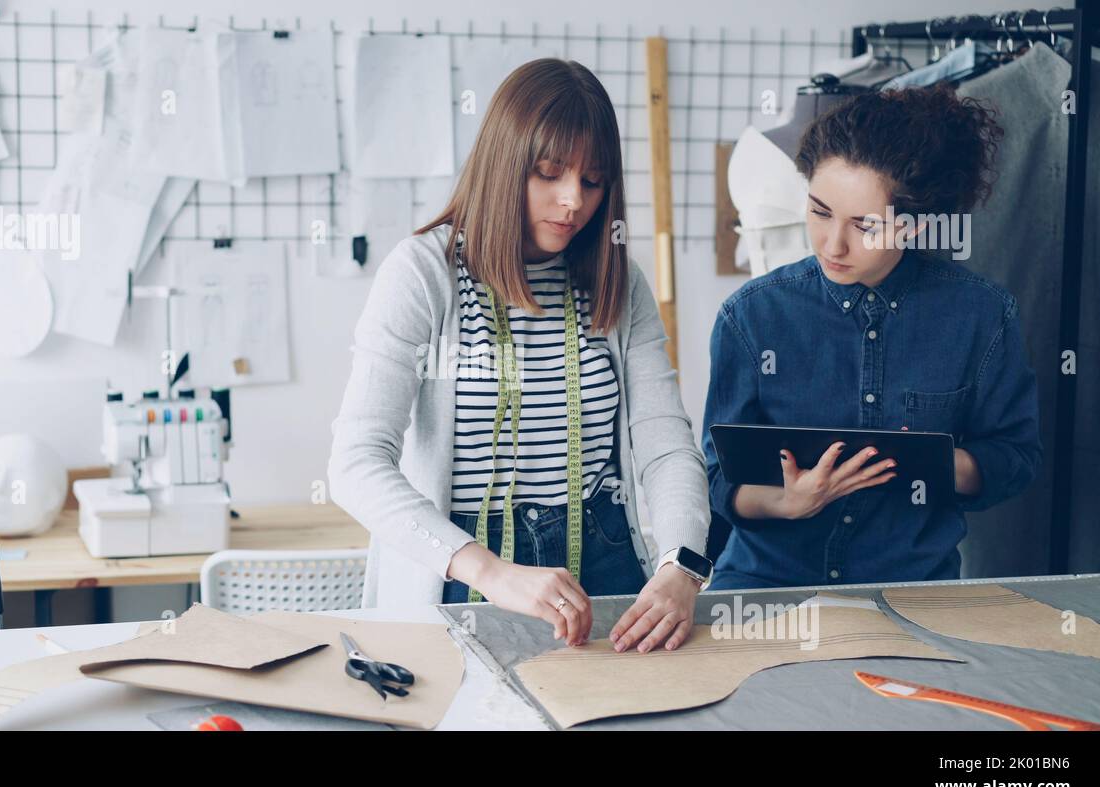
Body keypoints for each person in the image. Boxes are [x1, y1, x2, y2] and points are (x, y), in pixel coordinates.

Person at [329, 59, 711, 652]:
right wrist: (490, 571)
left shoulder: (618, 280)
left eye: (592, 181)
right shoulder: (423, 274)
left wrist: (680, 569)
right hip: (462, 566)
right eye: (549, 173)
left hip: (605, 558)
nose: (572, 202)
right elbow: (355, 463)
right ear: (505, 163)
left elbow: (666, 443)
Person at [701, 85, 1043, 590]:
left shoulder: (983, 316)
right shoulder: (750, 316)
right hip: (765, 586)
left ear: (917, 224)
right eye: (820, 212)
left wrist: (939, 464)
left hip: (913, 590)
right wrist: (788, 501)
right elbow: (717, 478)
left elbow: (1016, 459)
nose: (833, 244)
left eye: (865, 225)